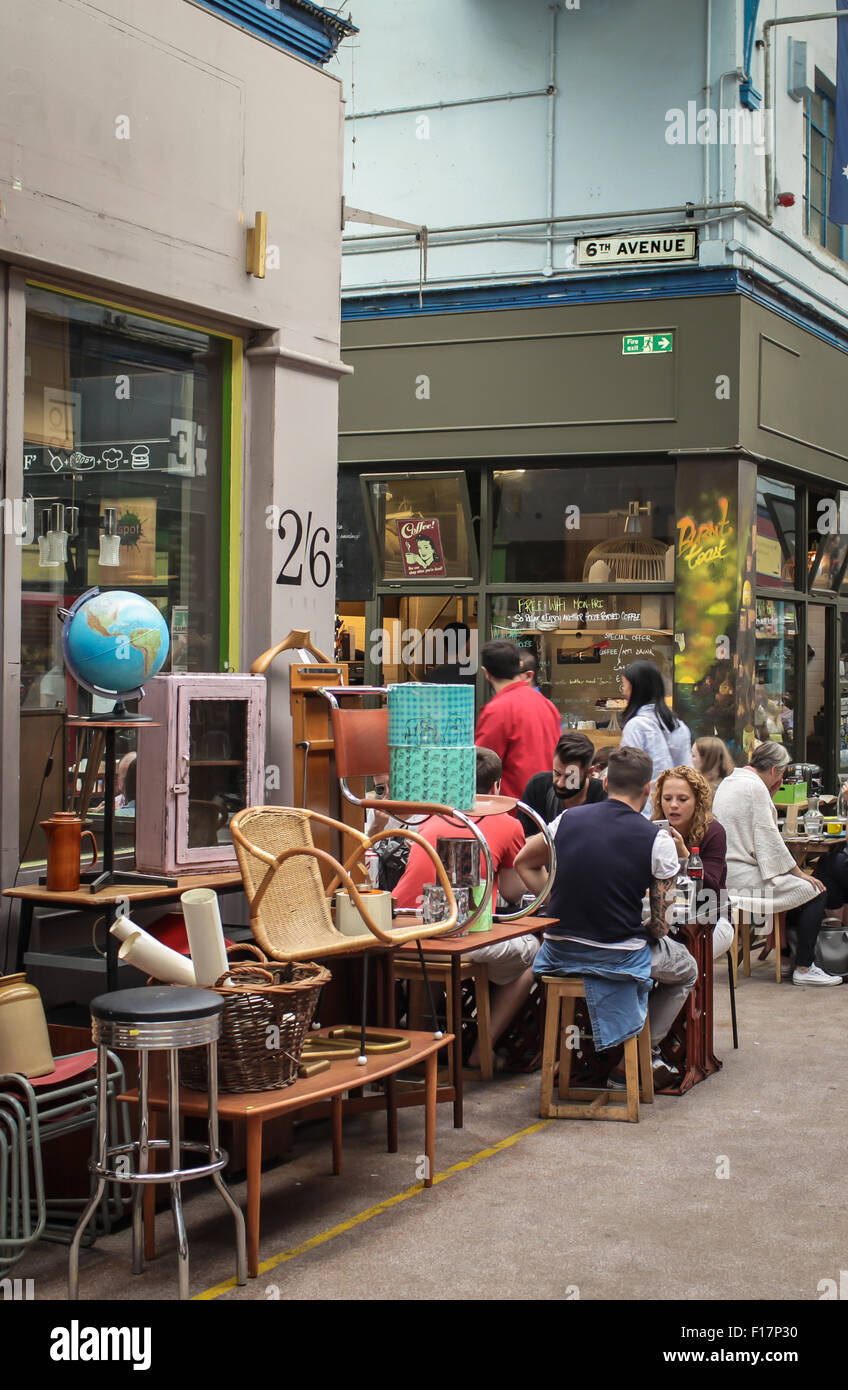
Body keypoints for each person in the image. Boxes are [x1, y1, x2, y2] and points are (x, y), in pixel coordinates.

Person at [515, 745, 697, 1088]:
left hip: (558, 954)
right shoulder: (657, 839)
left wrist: (554, 897)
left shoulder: (566, 820)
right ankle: (646, 1054)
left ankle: (587, 1055)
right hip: (618, 957)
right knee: (687, 968)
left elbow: (524, 861)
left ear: (606, 780)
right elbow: (660, 926)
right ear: (647, 789)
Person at [393, 747, 539, 1068]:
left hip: (403, 928)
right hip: (455, 934)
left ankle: (422, 1053)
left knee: (432, 966)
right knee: (533, 962)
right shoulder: (508, 822)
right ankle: (480, 1052)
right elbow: (514, 892)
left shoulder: (434, 814)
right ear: (497, 786)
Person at [712, 741, 840, 986]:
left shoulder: (731, 781)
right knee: (814, 891)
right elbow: (769, 839)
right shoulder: (754, 788)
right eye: (781, 773)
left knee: (796, 891)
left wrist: (768, 795)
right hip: (741, 879)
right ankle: (804, 966)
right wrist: (799, 873)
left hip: (727, 873)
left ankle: (786, 959)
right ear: (774, 771)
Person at [652, 765, 733, 958]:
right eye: (667, 798)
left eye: (682, 799)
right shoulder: (654, 829)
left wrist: (686, 856)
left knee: (680, 959)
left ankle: (690, 987)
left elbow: (711, 886)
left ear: (697, 801)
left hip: (711, 917)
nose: (673, 805)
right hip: (668, 918)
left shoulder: (713, 831)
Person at [474, 639, 561, 800]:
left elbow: (482, 767)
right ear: (519, 666)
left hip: (513, 808)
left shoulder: (497, 710)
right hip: (546, 805)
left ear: (486, 672)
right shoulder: (546, 704)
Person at [618, 659, 692, 816]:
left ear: (636, 689)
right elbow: (688, 772)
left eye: (625, 685)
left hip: (644, 813)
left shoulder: (636, 727)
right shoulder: (680, 727)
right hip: (677, 813)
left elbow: (629, 774)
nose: (623, 692)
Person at [518, 731, 606, 837]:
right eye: (557, 773)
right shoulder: (538, 787)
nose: (560, 784)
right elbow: (522, 838)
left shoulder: (604, 797)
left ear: (589, 773)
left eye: (570, 778)